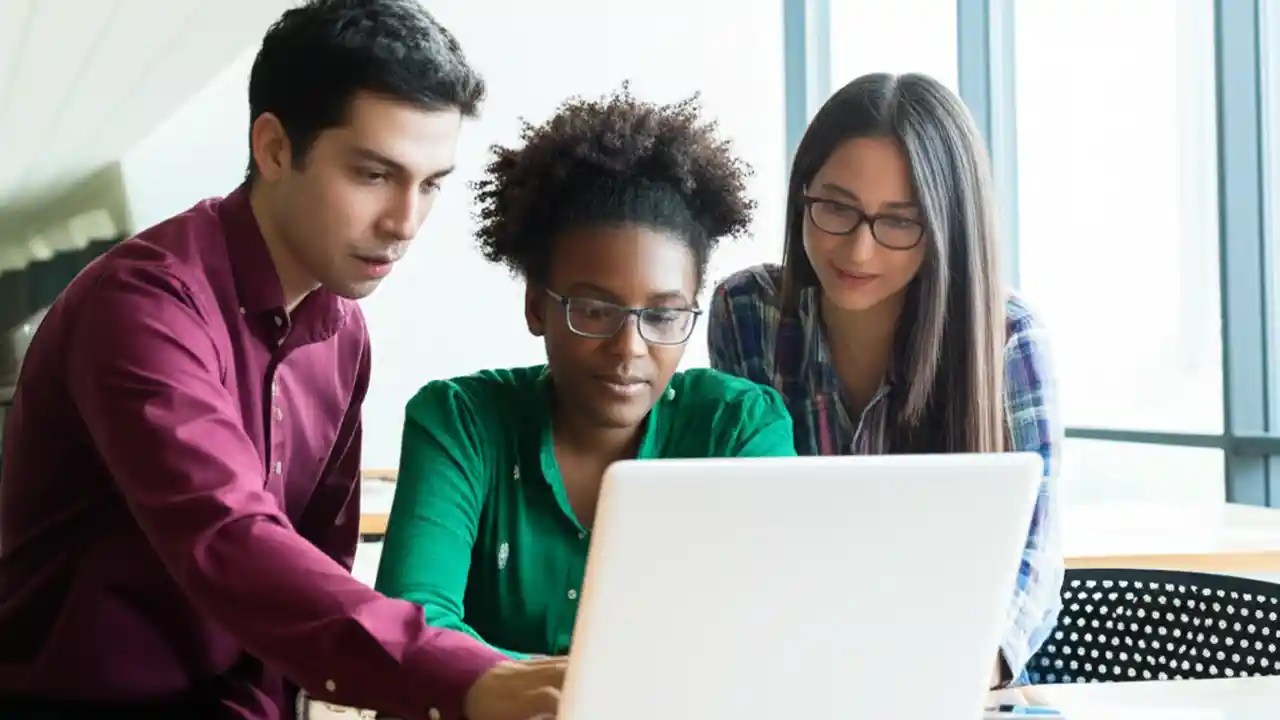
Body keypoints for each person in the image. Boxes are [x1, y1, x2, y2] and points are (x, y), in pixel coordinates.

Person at [0, 2, 564, 718]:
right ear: (272, 148)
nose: (404, 222)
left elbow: (313, 585)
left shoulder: (343, 333)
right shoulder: (140, 304)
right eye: (372, 174)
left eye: (429, 183)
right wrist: (470, 678)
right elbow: (231, 540)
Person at [374, 87, 797, 657]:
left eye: (665, 315)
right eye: (595, 310)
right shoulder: (460, 424)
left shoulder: (740, 429)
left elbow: (768, 633)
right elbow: (413, 628)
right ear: (536, 306)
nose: (629, 349)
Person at [706, 72, 1064, 687]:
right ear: (802, 195)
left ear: (947, 227)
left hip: (954, 677)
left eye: (899, 222)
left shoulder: (1007, 337)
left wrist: (959, 666)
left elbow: (1033, 557)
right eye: (837, 208)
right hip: (795, 667)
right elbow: (753, 530)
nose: (859, 251)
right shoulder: (749, 314)